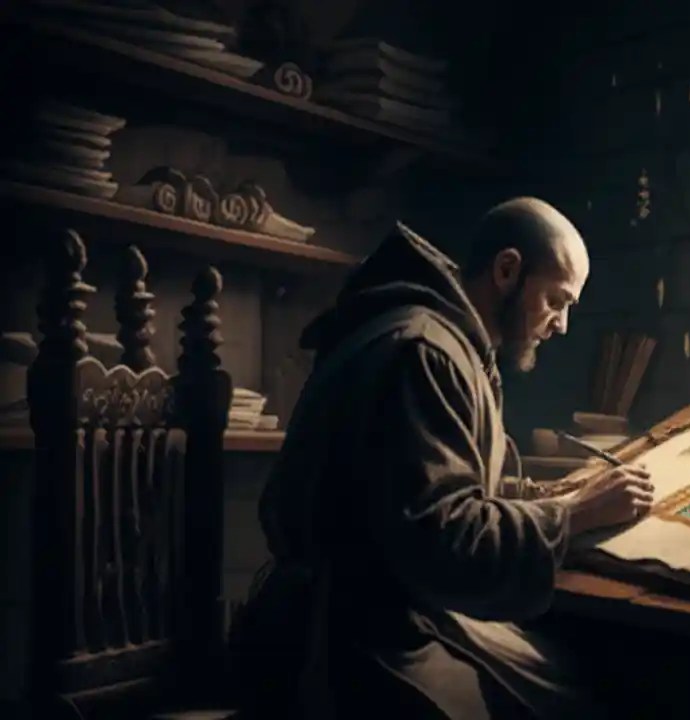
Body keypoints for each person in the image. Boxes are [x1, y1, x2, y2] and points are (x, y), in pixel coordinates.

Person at [229, 198, 655, 719]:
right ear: (507, 270)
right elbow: (442, 537)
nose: (561, 324)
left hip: (380, 608)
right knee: (587, 697)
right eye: (555, 300)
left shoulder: (433, 335)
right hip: (360, 637)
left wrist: (548, 499)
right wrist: (576, 514)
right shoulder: (424, 351)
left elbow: (431, 488)